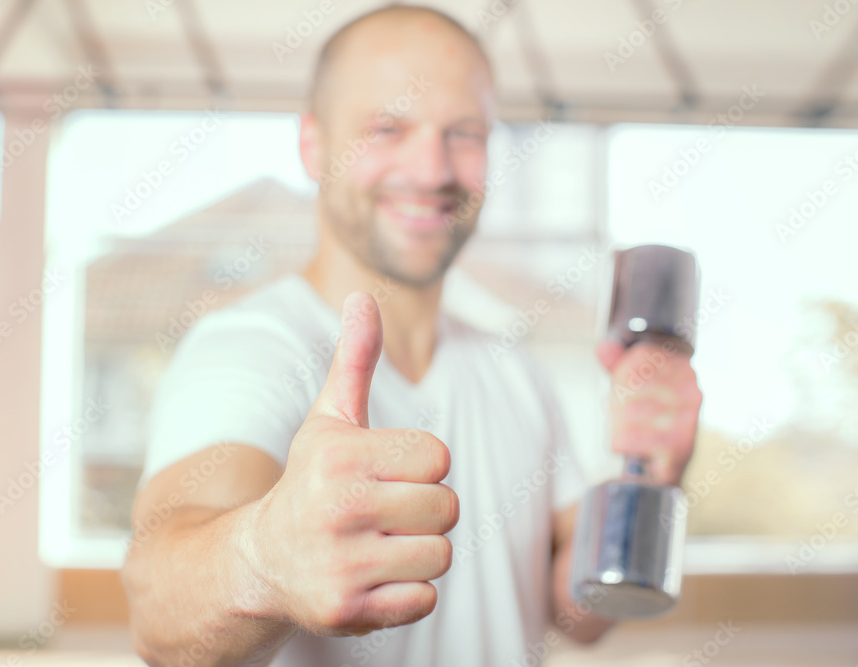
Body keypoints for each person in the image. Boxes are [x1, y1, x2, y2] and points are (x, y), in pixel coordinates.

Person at [121, 5, 702, 666]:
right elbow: (157, 610)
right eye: (387, 128)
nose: (432, 170)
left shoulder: (513, 370)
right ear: (312, 145)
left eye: (463, 133)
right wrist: (262, 555)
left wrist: (653, 479)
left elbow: (576, 611)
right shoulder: (250, 348)